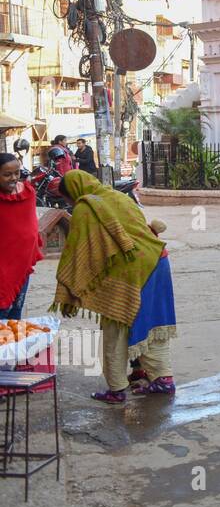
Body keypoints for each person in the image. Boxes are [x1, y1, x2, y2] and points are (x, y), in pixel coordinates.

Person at [51, 170, 177, 403]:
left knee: (116, 326)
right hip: (157, 258)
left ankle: (117, 389)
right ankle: (161, 378)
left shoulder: (84, 208)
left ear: (73, 192)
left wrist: (69, 288)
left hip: (128, 271)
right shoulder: (118, 196)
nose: (68, 202)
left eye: (66, 197)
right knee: (152, 320)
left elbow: (79, 252)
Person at [0, 152, 43, 320]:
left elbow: (29, 224)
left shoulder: (28, 193)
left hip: (22, 264)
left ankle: (11, 345)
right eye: (6, 174)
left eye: (16, 173)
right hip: (2, 265)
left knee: (16, 312)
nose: (13, 178)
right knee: (2, 310)